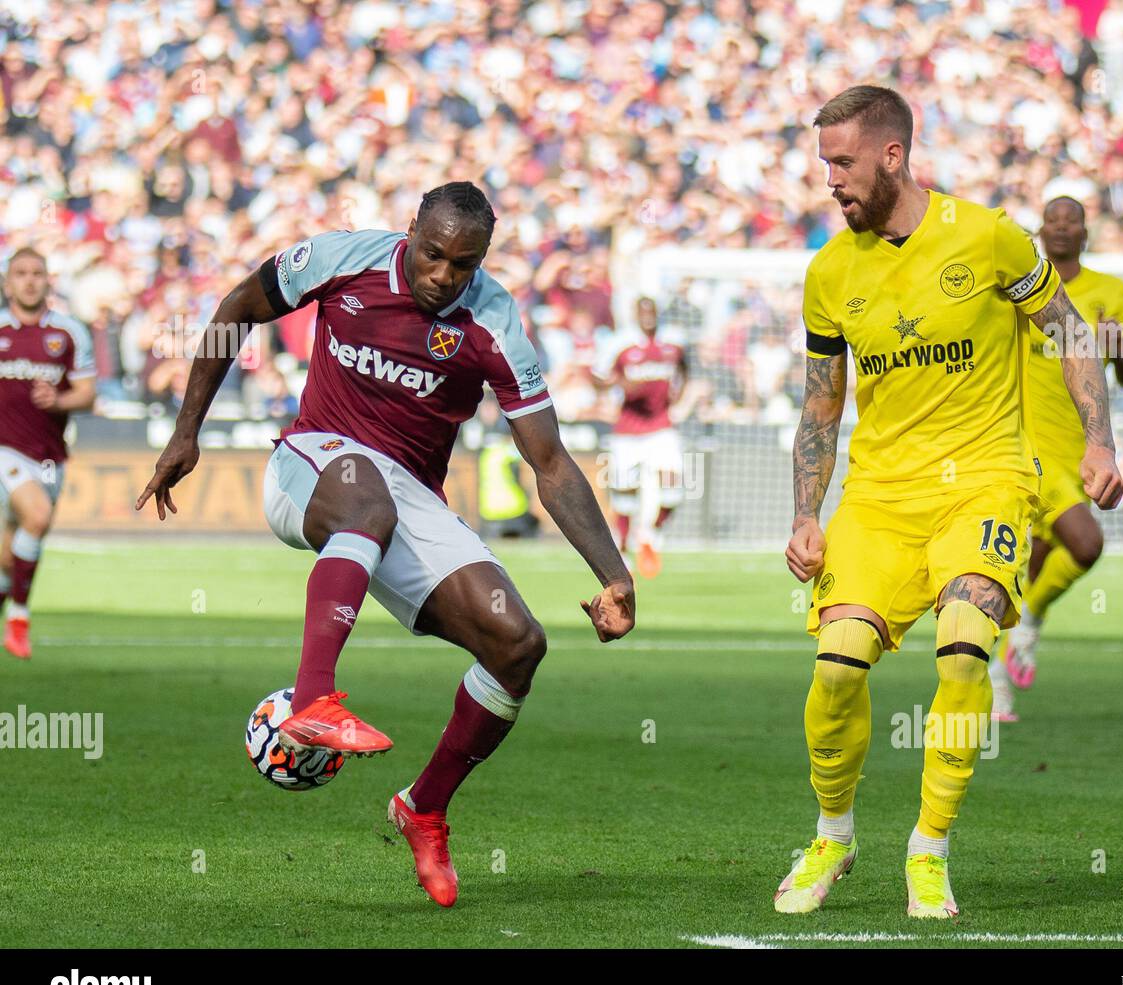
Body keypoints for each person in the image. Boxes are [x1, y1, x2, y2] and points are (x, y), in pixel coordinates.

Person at [137, 183, 635, 908]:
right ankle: (313, 697)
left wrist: (614, 574)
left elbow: (550, 461)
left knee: (517, 644)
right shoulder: (344, 259)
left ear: (481, 262)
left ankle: (424, 807)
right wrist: (187, 431)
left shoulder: (494, 320)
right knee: (364, 491)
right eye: (432, 254)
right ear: (411, 233)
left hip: (402, 498)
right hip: (309, 461)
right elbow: (236, 308)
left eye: (461, 265)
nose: (442, 274)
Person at [780, 86, 1123, 919]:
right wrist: (805, 513)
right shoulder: (829, 271)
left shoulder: (990, 237)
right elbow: (822, 403)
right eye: (824, 162)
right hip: (880, 497)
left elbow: (1073, 329)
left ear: (892, 156)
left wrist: (1099, 437)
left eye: (843, 162)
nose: (830, 180)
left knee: (966, 648)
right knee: (835, 672)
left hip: (986, 481)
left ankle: (929, 849)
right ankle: (833, 834)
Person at [991, 197, 1123, 721]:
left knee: (1031, 565)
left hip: (1079, 455)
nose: (1060, 228)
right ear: (1039, 230)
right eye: (1051, 221)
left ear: (1084, 231)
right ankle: (1018, 641)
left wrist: (1118, 347)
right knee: (1085, 542)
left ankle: (1018, 638)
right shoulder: (1019, 289)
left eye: (1070, 221)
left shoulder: (1110, 293)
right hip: (1019, 449)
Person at [0, 248, 96, 660]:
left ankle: (10, 601)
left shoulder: (69, 333)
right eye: (20, 273)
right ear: (8, 282)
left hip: (49, 456)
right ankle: (19, 619)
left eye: (37, 273)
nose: (29, 280)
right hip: (5, 451)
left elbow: (87, 394)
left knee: (8, 560)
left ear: (48, 280)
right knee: (36, 518)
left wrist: (57, 400)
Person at [593, 297, 688, 578]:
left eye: (652, 312)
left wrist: (678, 395)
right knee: (625, 496)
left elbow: (685, 369)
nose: (648, 317)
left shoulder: (673, 344)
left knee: (674, 486)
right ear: (635, 314)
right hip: (627, 430)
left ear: (657, 314)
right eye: (642, 312)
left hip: (661, 426)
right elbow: (597, 376)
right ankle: (623, 551)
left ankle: (650, 533)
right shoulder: (620, 343)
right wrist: (621, 383)